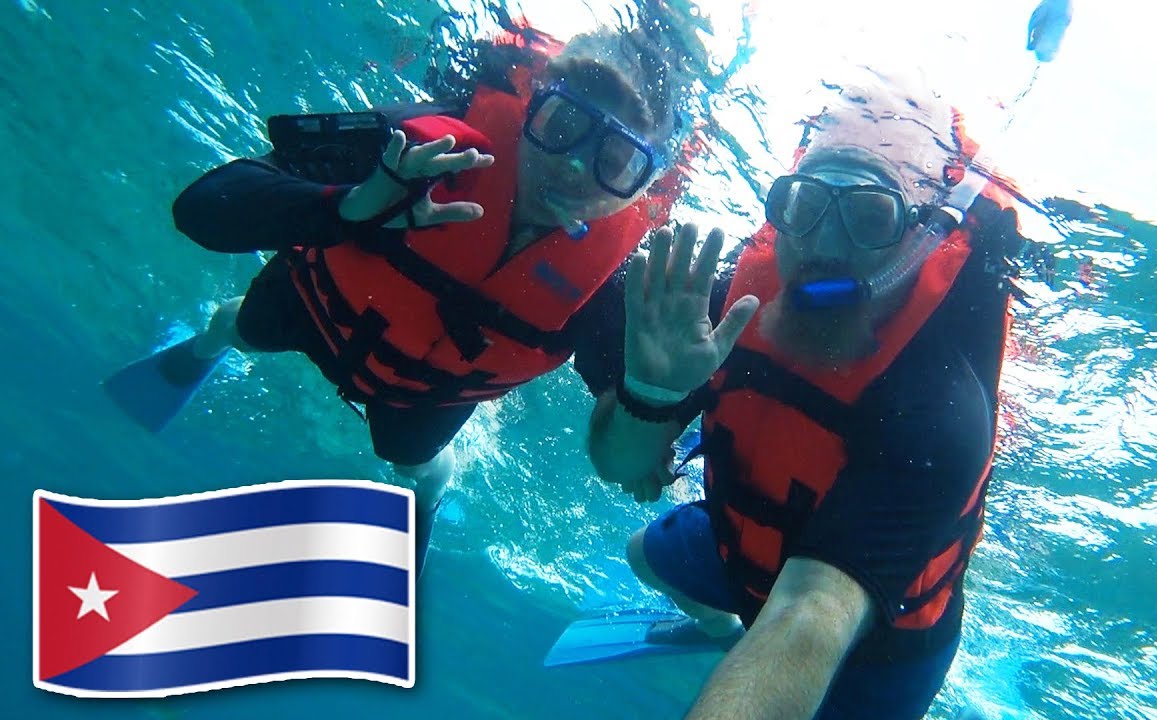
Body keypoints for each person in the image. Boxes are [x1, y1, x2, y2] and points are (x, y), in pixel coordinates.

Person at [104, 25, 685, 553]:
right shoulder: (423, 149)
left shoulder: (615, 285)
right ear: (533, 102)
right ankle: (202, 349)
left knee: (415, 461)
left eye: (615, 160)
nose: (577, 169)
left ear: (644, 189)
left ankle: (430, 498)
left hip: (425, 397)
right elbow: (202, 208)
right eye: (562, 126)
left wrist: (652, 396)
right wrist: (350, 206)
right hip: (311, 303)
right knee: (238, 327)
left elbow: (618, 465)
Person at [581, 72, 1028, 719]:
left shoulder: (939, 406)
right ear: (779, 214)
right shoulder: (721, 311)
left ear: (920, 235)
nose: (827, 244)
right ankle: (722, 634)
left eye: (870, 216)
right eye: (805, 207)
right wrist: (651, 393)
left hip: (877, 648)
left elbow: (809, 614)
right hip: (745, 561)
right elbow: (618, 466)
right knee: (644, 557)